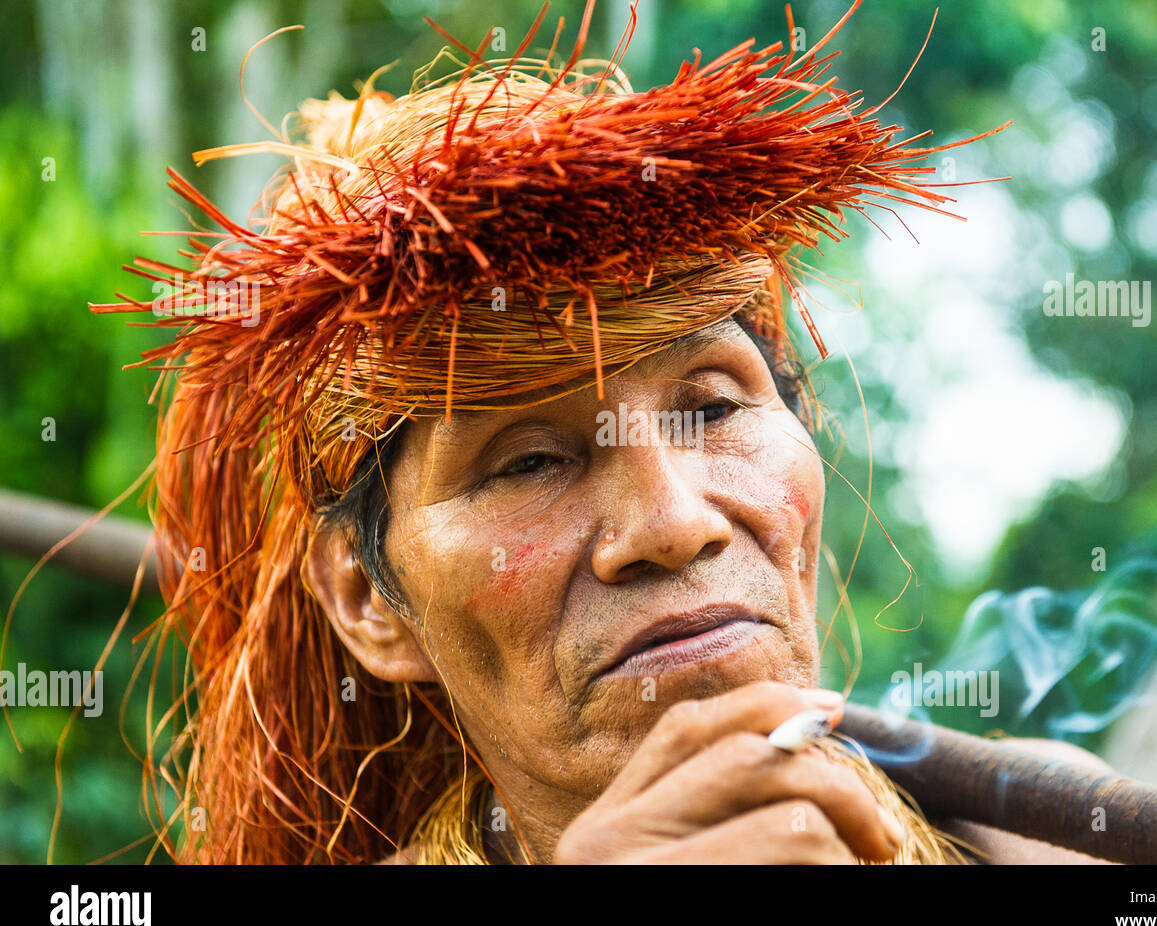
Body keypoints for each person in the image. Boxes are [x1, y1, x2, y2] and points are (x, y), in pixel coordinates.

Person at [93, 0, 1098, 864]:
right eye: (528, 460)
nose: (672, 524)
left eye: (711, 407)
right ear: (368, 603)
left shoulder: (1053, 835)